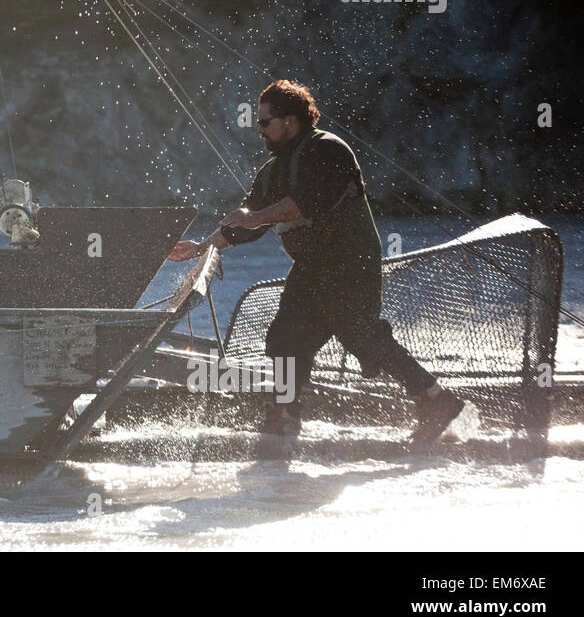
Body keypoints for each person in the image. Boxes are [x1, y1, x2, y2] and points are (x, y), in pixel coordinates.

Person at [167, 79, 467, 443]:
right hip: (312, 268)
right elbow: (245, 222)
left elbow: (302, 204)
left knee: (362, 336)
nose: (259, 130)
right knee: (286, 339)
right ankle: (285, 416)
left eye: (265, 123)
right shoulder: (274, 168)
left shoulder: (328, 151)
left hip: (349, 263)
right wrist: (201, 246)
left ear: (290, 121)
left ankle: (436, 399)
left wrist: (253, 217)